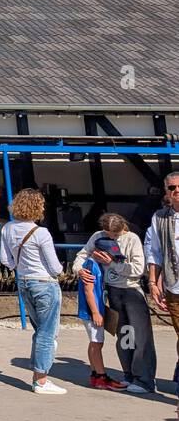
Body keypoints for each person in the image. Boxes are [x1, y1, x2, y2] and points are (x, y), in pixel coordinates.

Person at [0, 188, 68, 395]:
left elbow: (5, 259)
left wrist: (18, 266)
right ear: (37, 208)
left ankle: (39, 368)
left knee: (41, 329)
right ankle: (41, 379)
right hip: (44, 282)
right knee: (48, 332)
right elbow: (55, 266)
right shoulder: (41, 233)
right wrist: (60, 272)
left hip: (24, 281)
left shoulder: (7, 229)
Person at [74, 214, 152, 393]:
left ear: (123, 228)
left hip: (131, 291)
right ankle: (128, 374)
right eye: (108, 234)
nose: (111, 238)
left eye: (115, 235)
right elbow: (82, 254)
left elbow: (138, 269)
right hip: (112, 292)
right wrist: (79, 269)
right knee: (125, 336)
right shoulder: (97, 236)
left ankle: (145, 379)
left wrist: (113, 264)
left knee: (140, 336)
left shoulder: (132, 239)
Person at [70, 219, 130, 391]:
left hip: (95, 308)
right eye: (110, 255)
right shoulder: (93, 266)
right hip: (92, 310)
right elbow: (89, 291)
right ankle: (102, 376)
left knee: (95, 342)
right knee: (97, 343)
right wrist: (96, 312)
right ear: (101, 253)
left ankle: (96, 374)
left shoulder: (96, 265)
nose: (110, 259)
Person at [144, 171, 179, 408]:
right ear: (166, 192)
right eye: (172, 188)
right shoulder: (160, 218)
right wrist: (153, 282)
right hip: (174, 286)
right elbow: (154, 251)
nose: (177, 192)